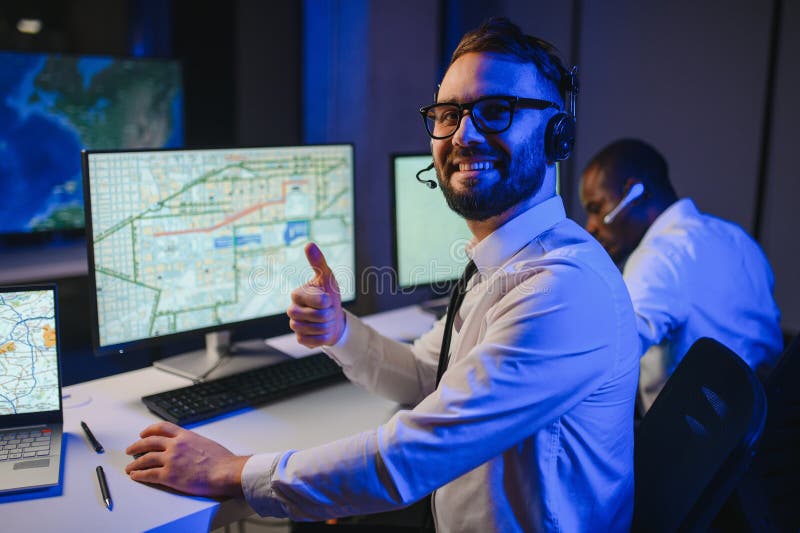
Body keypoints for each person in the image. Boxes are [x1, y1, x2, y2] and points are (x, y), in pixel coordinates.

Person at [125, 18, 640, 531]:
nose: (463, 134)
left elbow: (410, 458)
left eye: (495, 111)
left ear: (557, 135)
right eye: (448, 113)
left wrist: (233, 473)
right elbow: (424, 377)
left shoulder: (563, 290)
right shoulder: (500, 265)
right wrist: (339, 331)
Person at [580, 138, 783, 414]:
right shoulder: (737, 238)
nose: (590, 227)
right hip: (763, 435)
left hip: (697, 448)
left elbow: (611, 354)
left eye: (596, 208)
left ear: (635, 193)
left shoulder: (658, 257)